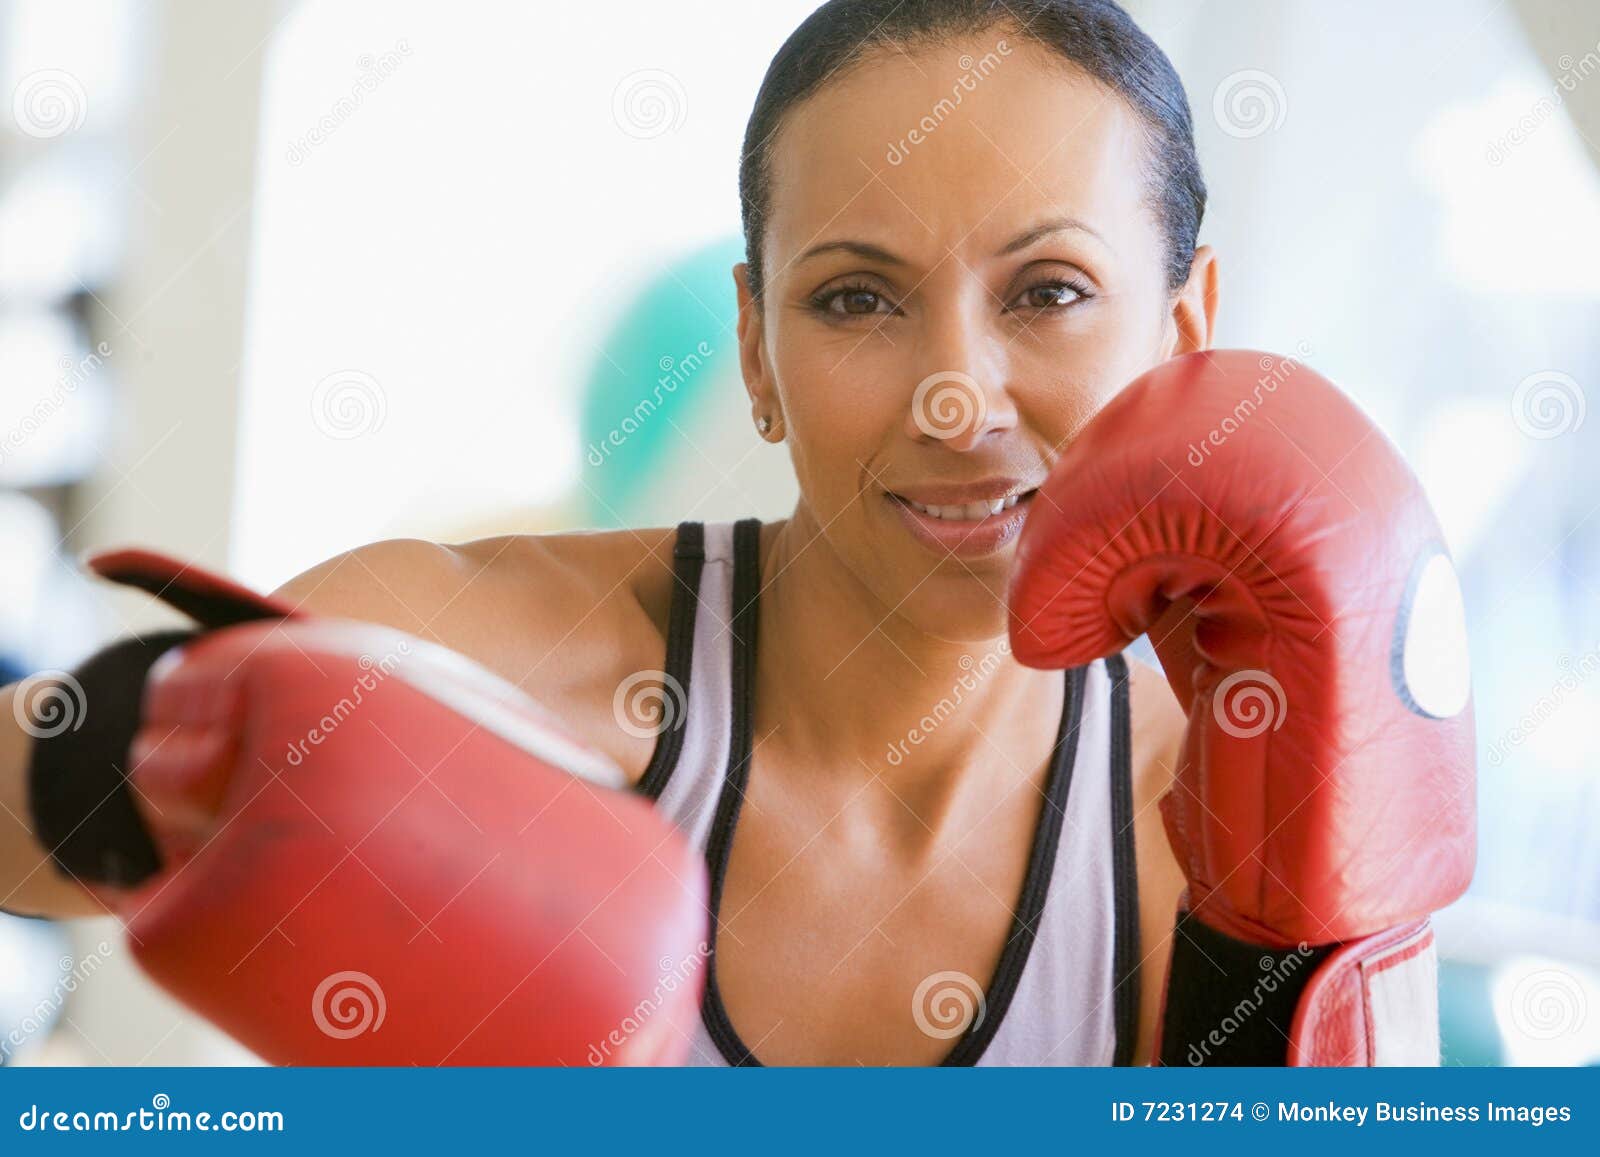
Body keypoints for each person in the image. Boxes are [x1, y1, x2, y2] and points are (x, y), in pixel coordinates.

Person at [0, 0, 1471, 1067]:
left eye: (1048, 291)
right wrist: (158, 753)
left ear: (1186, 327)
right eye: (855, 298)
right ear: (756, 352)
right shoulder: (505, 665)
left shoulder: (1215, 827)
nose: (958, 397)